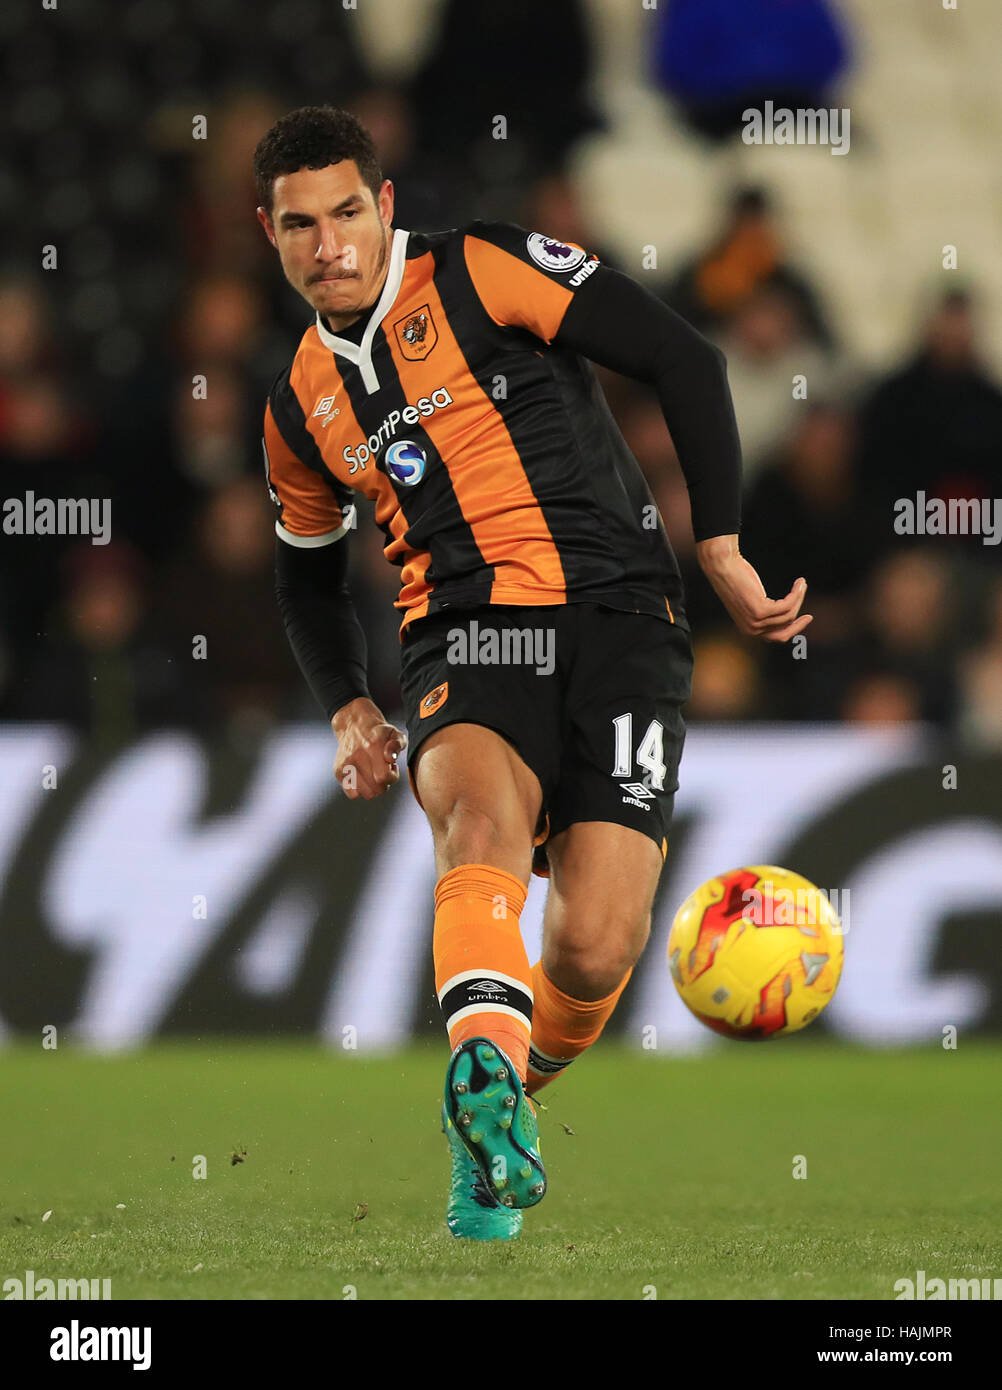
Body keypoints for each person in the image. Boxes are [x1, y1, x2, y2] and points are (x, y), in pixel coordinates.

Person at [252, 106, 810, 1241]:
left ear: (385, 206)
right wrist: (351, 704)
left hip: (619, 612)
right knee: (479, 818)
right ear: (270, 234)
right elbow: (308, 582)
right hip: (464, 628)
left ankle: (492, 1114)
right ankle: (484, 1079)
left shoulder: (488, 268)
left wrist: (721, 543)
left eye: (347, 212)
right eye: (300, 224)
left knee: (598, 944)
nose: (330, 244)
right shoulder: (296, 407)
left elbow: (681, 355)